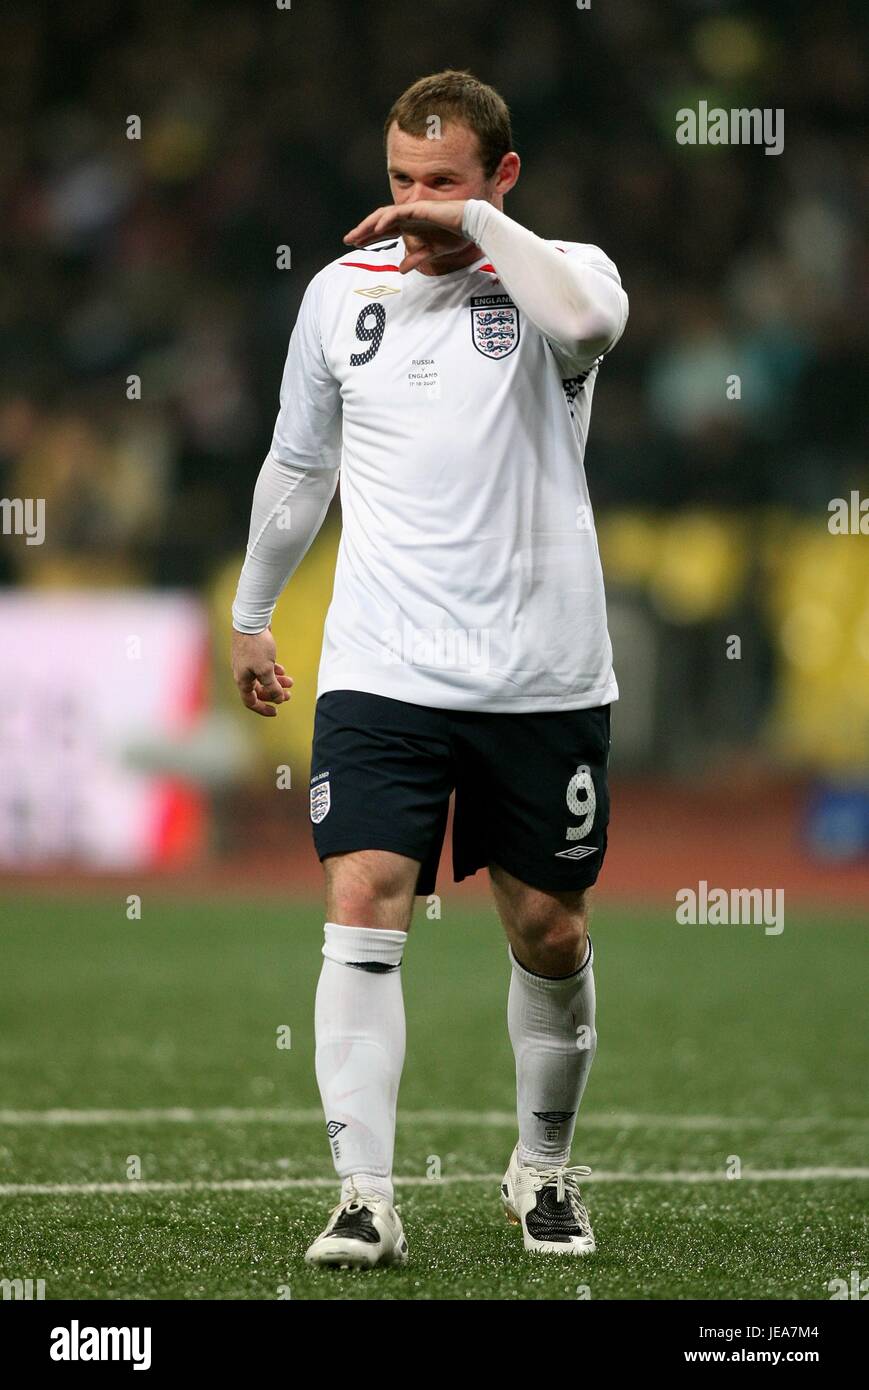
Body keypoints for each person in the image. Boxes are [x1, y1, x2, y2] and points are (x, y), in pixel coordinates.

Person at [231, 70, 628, 1267]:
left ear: (498, 178)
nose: (411, 206)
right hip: (381, 664)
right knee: (360, 900)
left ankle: (542, 1171)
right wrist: (255, 611)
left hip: (539, 673)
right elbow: (300, 465)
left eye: (440, 183)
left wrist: (476, 231)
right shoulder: (337, 295)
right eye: (399, 181)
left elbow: (592, 329)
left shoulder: (559, 274)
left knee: (547, 931)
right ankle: (364, 1197)